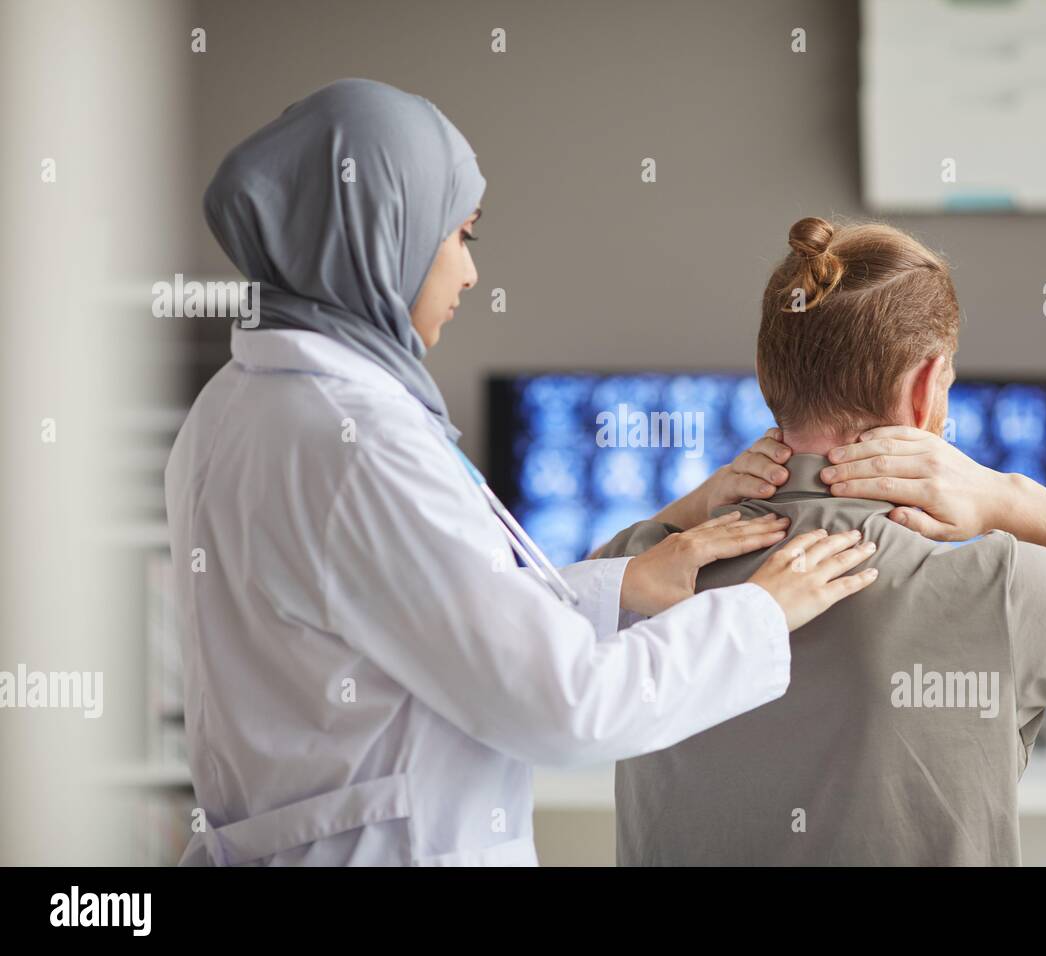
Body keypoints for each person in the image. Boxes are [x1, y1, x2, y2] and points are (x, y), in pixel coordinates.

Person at [165, 81, 879, 867]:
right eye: (462, 236)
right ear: (382, 232)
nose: (470, 275)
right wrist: (758, 614)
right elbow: (565, 708)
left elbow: (415, 619)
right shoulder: (360, 441)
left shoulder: (236, 403)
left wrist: (625, 583)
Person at [595, 216, 1046, 865]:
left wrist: (696, 506)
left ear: (772, 380)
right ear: (923, 391)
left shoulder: (637, 575)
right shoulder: (999, 589)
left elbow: (546, 613)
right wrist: (1010, 497)